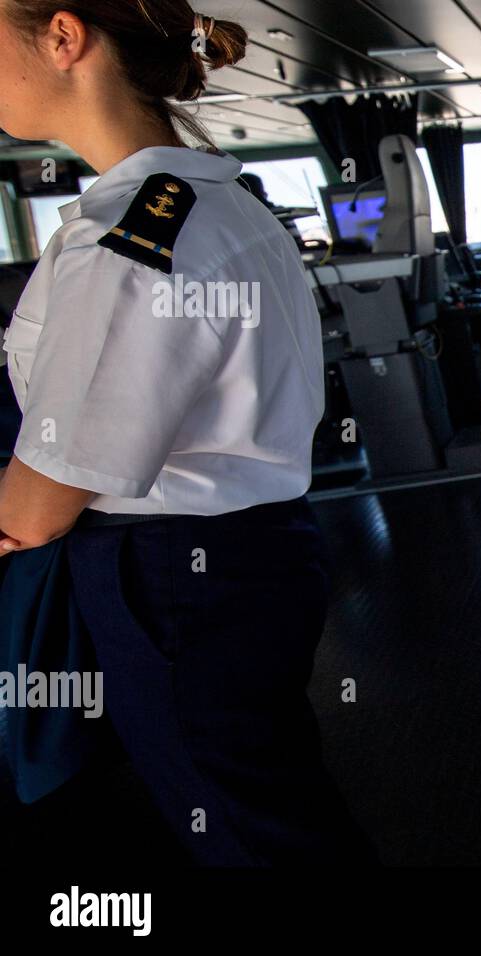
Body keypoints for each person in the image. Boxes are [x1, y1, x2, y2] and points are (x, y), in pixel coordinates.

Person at [0, 2, 374, 864]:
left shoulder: (134, 235)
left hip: (172, 576)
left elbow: (44, 499)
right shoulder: (217, 198)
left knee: (253, 836)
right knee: (264, 809)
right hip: (240, 558)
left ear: (64, 38)